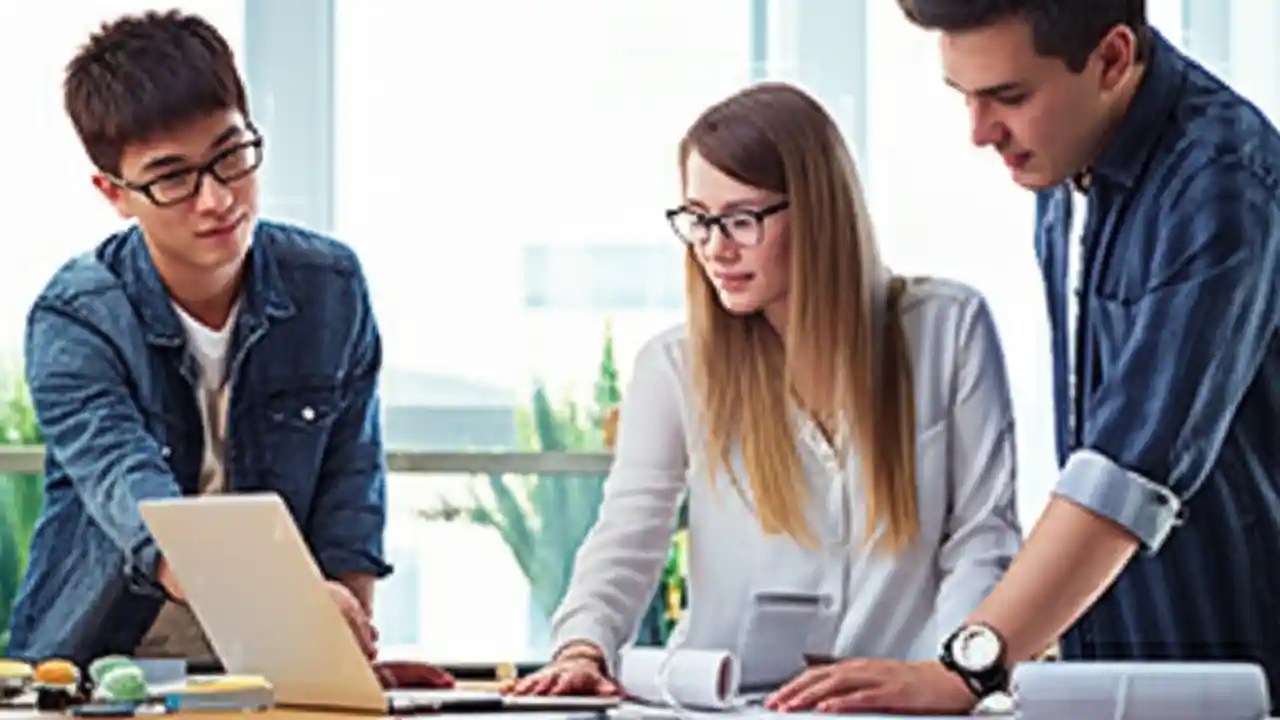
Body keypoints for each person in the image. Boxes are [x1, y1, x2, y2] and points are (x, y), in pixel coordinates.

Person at [766, 0, 1280, 713]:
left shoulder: (1221, 181)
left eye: (1008, 97)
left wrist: (963, 669)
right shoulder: (1065, 157)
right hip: (1117, 666)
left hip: (1233, 668)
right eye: (965, 97)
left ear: (1111, 59)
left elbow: (1129, 472)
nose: (980, 134)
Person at [502, 81, 1023, 709]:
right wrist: (582, 648)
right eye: (698, 220)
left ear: (819, 210)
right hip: (730, 706)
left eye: (743, 219)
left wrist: (949, 679)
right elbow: (628, 536)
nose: (716, 249)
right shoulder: (674, 366)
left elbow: (981, 537)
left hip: (898, 706)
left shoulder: (949, 327)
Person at [6, 10, 451, 689]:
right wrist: (305, 611)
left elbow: (349, 490)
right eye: (173, 177)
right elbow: (140, 503)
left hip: (278, 669)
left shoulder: (328, 288)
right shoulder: (74, 320)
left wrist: (343, 654)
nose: (216, 199)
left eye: (231, 155)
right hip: (101, 669)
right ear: (115, 193)